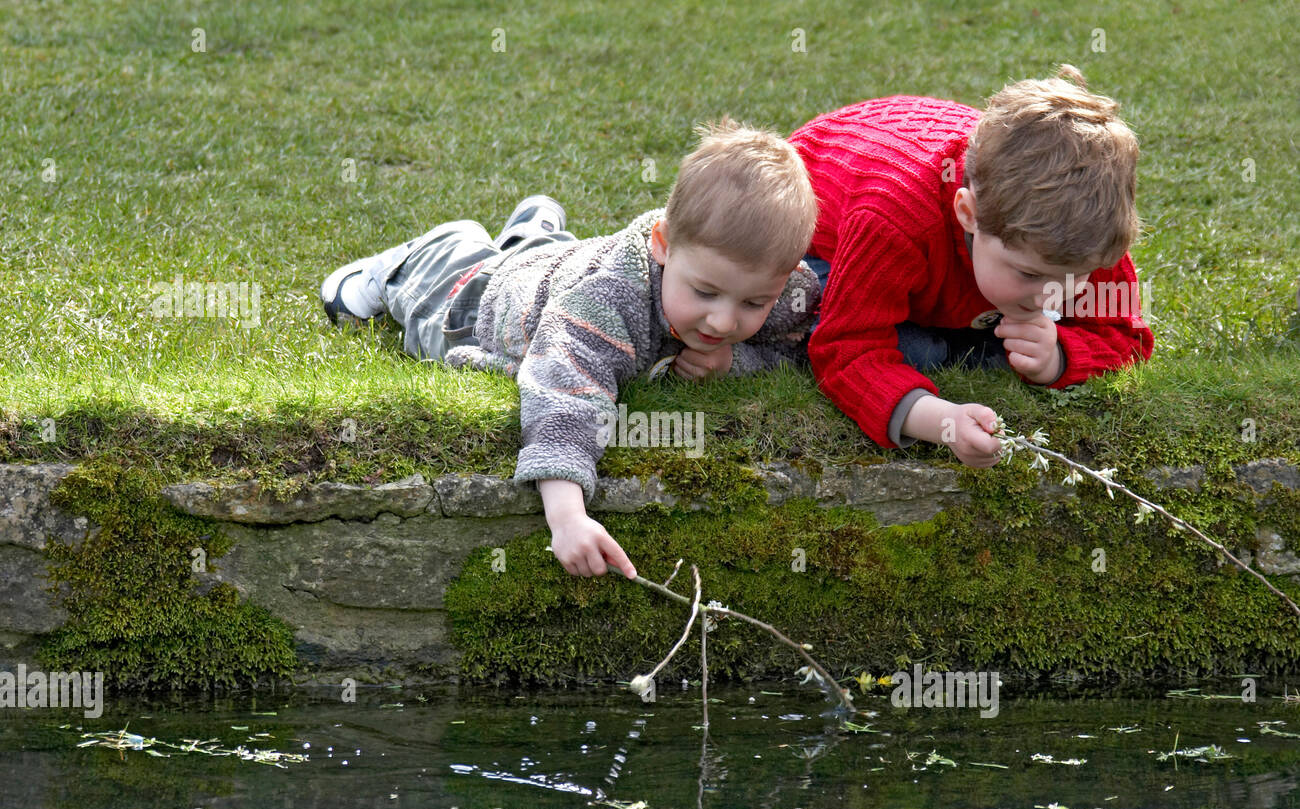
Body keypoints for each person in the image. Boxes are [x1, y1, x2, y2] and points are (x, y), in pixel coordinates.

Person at [319, 119, 821, 578]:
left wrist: (738, 360)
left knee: (543, 261)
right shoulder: (606, 301)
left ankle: (530, 237)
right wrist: (567, 517)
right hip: (471, 302)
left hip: (556, 268)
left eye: (754, 302)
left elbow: (801, 349)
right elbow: (563, 394)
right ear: (663, 244)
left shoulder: (780, 284)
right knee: (443, 271)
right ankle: (403, 262)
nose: (723, 320)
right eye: (705, 293)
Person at [789, 65, 1153, 467]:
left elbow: (1125, 335)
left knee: (994, 339)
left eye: (1074, 278)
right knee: (914, 349)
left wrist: (1057, 359)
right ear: (968, 213)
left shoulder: (1085, 223)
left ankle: (972, 327)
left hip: (944, 256)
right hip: (817, 233)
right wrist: (941, 420)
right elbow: (845, 350)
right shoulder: (894, 218)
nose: (1054, 294)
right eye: (1029, 274)